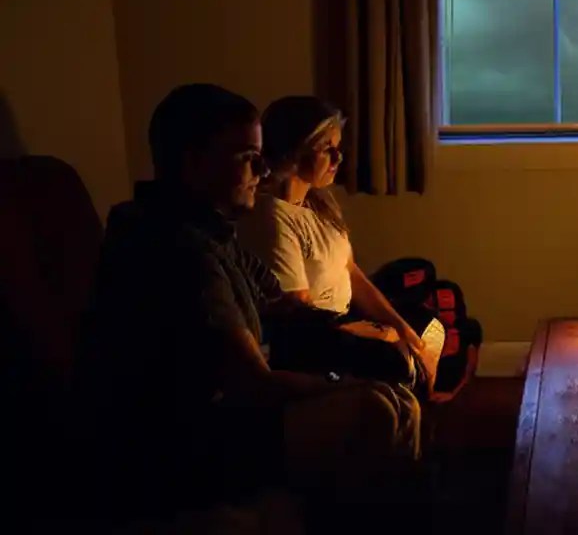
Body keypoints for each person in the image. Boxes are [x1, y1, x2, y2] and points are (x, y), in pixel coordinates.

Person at [76, 84, 420, 524]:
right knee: (373, 409)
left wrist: (371, 346)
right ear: (194, 162)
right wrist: (341, 381)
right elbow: (252, 382)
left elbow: (285, 309)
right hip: (190, 438)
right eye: (246, 157)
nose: (263, 167)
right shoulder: (175, 247)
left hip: (231, 414)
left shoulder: (217, 231)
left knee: (394, 397)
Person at [238, 96, 479, 400]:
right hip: (318, 334)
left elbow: (350, 272)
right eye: (328, 149)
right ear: (295, 150)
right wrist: (366, 332)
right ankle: (406, 392)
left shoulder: (319, 205)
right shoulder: (272, 216)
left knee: (428, 324)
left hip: (345, 314)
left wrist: (400, 327)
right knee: (396, 359)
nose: (339, 158)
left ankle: (416, 390)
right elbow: (294, 315)